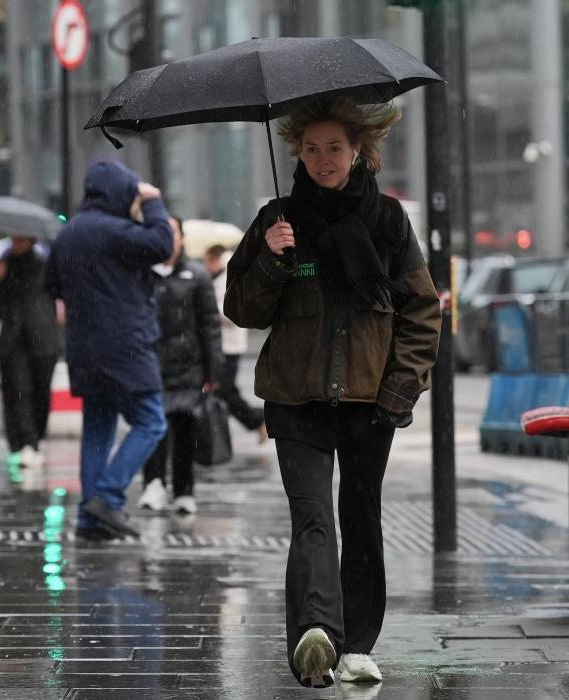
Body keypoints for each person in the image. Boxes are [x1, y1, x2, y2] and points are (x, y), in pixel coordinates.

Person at [224, 98, 441, 688]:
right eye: (313, 149)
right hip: (295, 398)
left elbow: (421, 310)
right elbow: (240, 307)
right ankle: (315, 635)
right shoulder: (278, 219)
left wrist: (403, 383)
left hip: (371, 401)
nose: (323, 160)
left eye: (334, 149)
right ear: (298, 150)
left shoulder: (388, 221)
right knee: (313, 515)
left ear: (357, 152)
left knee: (361, 516)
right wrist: (272, 259)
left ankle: (359, 644)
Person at [45, 161, 173, 540]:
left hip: (83, 349)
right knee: (152, 422)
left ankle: (89, 519)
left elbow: (50, 285)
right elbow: (163, 244)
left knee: (98, 429)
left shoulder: (67, 234)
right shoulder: (117, 231)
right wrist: (153, 203)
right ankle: (109, 496)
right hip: (125, 346)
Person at [138, 216, 224, 515]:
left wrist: (214, 371)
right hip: (150, 364)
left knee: (185, 428)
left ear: (181, 239)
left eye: (172, 233)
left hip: (188, 366)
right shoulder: (142, 274)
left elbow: (210, 325)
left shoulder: (197, 276)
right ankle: (153, 483)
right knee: (152, 427)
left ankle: (184, 490)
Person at [0, 234, 59, 471]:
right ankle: (26, 443)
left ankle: (36, 438)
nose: (18, 244)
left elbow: (59, 293)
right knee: (18, 390)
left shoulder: (46, 264)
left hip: (42, 337)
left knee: (41, 392)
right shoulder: (1, 264)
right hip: (13, 338)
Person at [203, 244, 267, 442]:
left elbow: (234, 310)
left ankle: (258, 420)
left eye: (208, 261)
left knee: (223, 392)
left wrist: (211, 309)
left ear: (216, 259)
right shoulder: (216, 278)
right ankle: (257, 421)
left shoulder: (227, 277)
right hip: (220, 346)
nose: (206, 266)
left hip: (229, 346)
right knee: (226, 390)